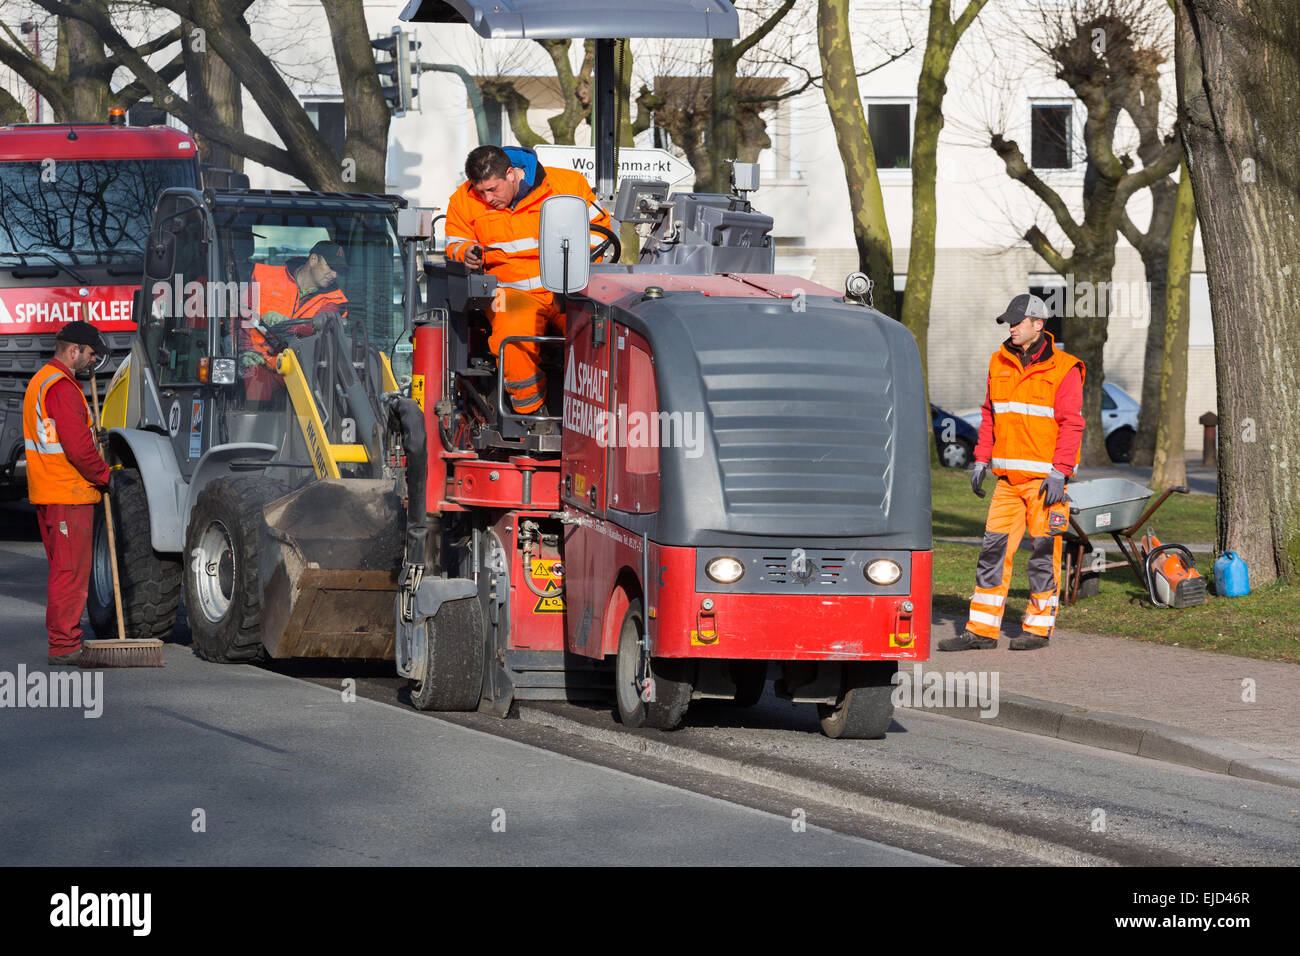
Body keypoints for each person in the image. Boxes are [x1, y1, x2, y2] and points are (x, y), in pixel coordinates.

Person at [939, 293, 1085, 652]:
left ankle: (1037, 629)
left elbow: (1072, 425)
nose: (1011, 328)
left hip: (1044, 486)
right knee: (992, 555)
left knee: (1042, 558)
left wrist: (1059, 472)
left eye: (1017, 322)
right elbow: (990, 415)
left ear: (1039, 324)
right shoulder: (998, 362)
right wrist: (981, 459)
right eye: (1009, 322)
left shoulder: (1065, 369)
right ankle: (981, 632)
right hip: (1007, 484)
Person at [444, 145, 611, 420]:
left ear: (511, 174)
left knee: (599, 333)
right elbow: (454, 240)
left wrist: (581, 269)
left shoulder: (567, 185)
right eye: (480, 191)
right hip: (512, 293)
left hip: (568, 288)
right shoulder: (463, 199)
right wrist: (465, 252)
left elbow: (600, 233)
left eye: (493, 189)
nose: (487, 198)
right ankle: (532, 416)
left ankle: (594, 412)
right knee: (512, 340)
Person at [23, 321, 112, 666]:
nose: (93, 363)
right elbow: (76, 448)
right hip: (69, 493)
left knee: (63, 570)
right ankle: (64, 645)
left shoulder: (42, 380)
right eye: (91, 355)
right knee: (70, 574)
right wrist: (103, 475)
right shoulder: (62, 387)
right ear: (73, 351)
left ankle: (65, 639)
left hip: (49, 492)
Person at [241, 240, 350, 400]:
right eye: (331, 267)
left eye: (338, 270)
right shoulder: (263, 276)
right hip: (257, 366)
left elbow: (317, 326)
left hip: (302, 372)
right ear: (313, 260)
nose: (334, 275)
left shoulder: (336, 300)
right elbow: (239, 318)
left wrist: (285, 325)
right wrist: (244, 351)